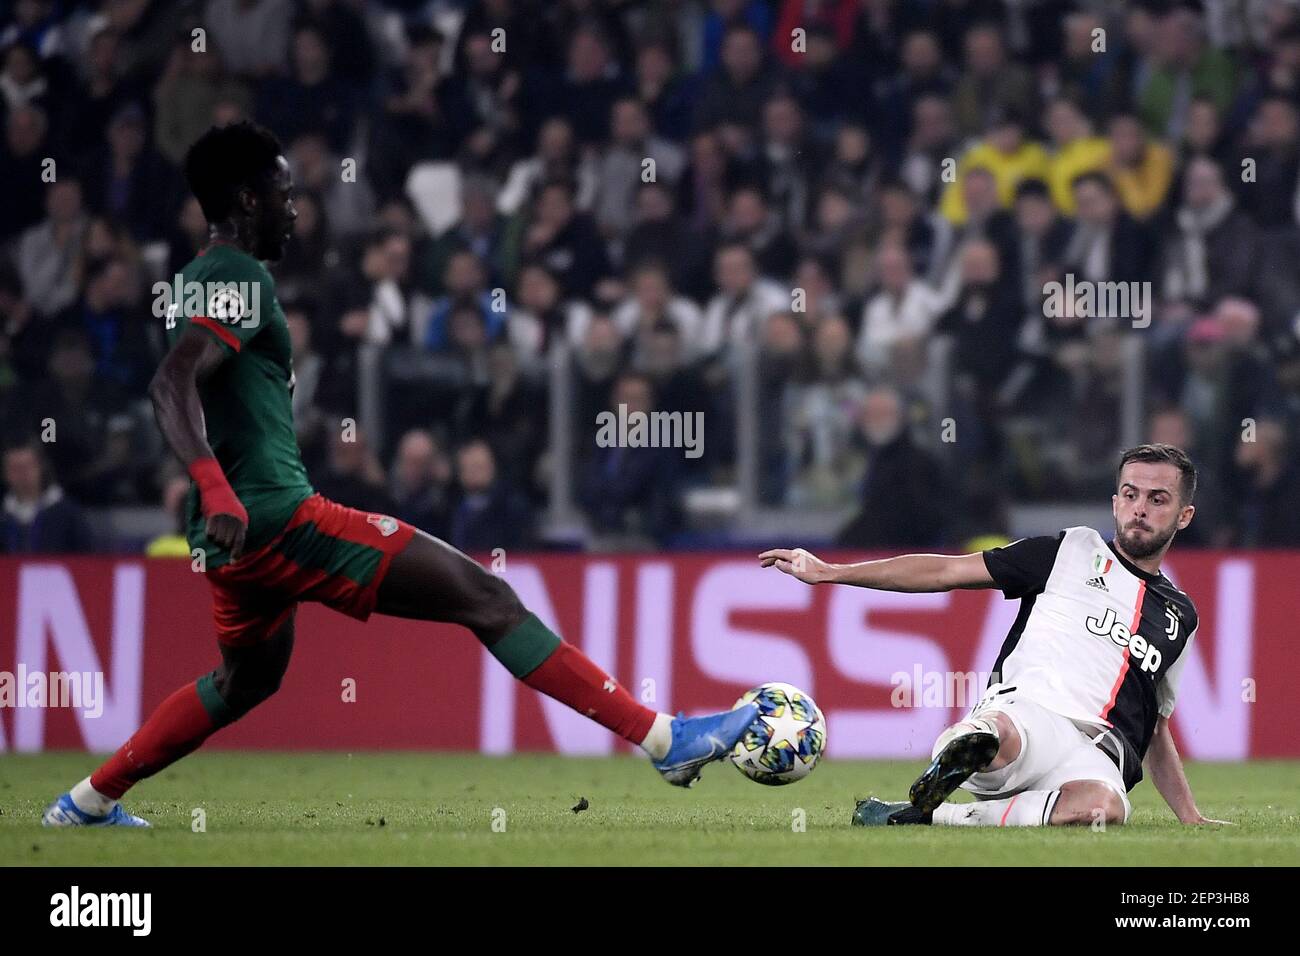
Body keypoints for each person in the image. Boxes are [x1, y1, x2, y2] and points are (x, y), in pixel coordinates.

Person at [41, 122, 755, 829]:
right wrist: (219, 484)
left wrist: (214, 489)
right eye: (284, 193)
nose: (295, 208)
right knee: (488, 596)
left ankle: (87, 802)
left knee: (245, 679)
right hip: (276, 518)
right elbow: (172, 384)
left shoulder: (196, 280)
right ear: (247, 199)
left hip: (233, 539)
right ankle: (665, 740)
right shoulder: (236, 273)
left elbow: (204, 390)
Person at [760, 444, 1229, 828]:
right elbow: (946, 571)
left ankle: (932, 816)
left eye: (1157, 499)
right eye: (1130, 494)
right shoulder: (1068, 550)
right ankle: (971, 742)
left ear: (1184, 516)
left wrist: (1191, 816)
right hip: (1032, 715)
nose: (1140, 509)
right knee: (999, 734)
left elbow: (1156, 725)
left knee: (1101, 809)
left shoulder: (1180, 616)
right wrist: (832, 572)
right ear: (1114, 502)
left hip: (1097, 756)